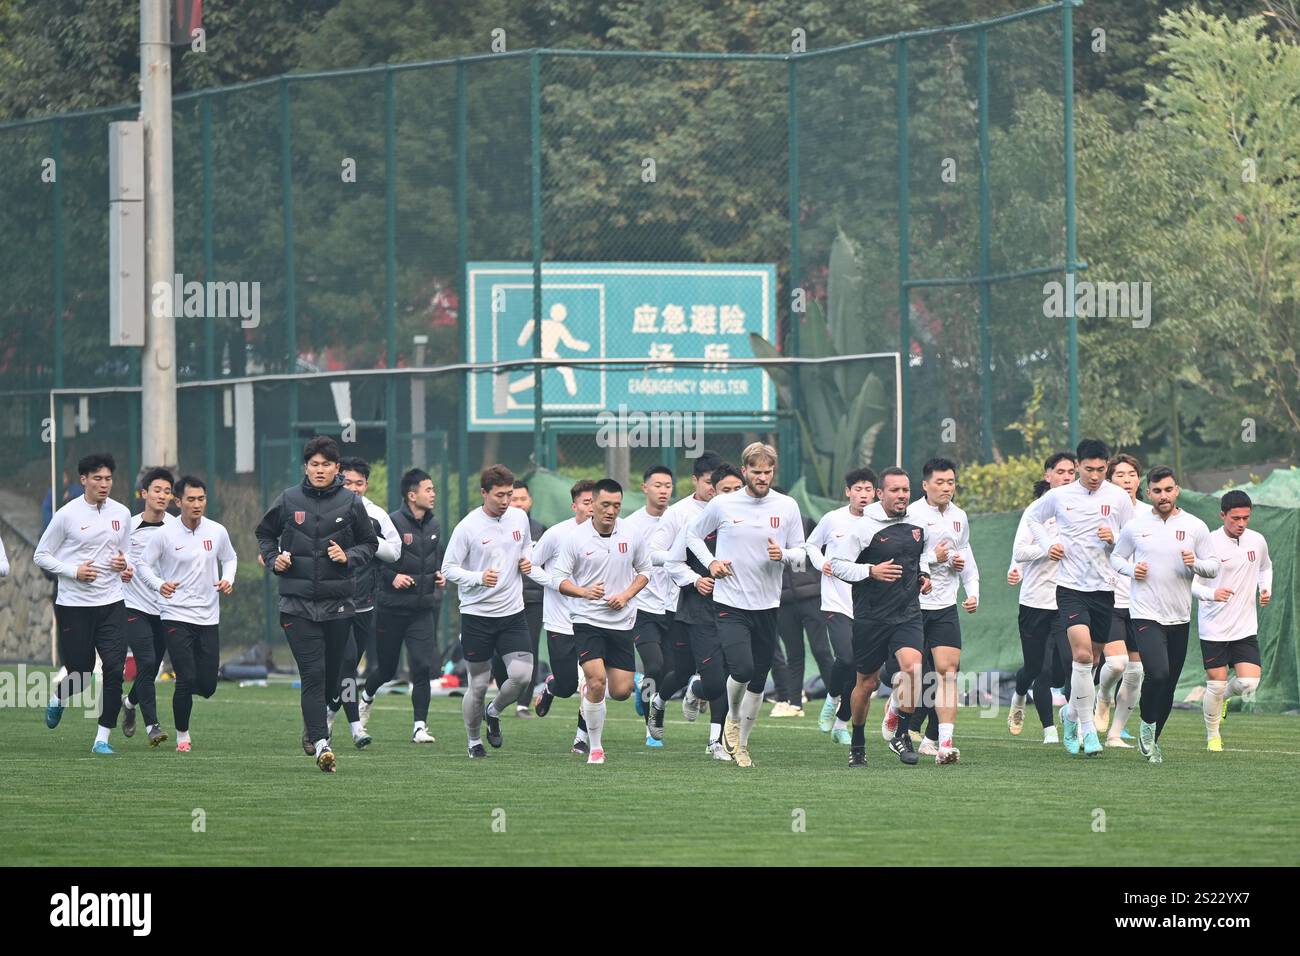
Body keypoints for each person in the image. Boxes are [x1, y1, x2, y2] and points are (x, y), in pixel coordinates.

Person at [255, 436, 379, 773]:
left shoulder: (352, 504)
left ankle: (319, 722)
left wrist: (348, 555)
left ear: (337, 468)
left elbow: (370, 544)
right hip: (296, 606)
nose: (320, 470)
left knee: (334, 676)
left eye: (326, 464)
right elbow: (264, 534)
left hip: (339, 605)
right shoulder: (288, 499)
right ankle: (321, 743)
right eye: (314, 464)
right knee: (312, 673)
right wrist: (272, 558)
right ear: (306, 468)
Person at [684, 442, 806, 769]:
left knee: (758, 680)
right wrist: (710, 563)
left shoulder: (787, 506)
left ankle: (742, 744)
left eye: (768, 472)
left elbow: (802, 552)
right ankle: (732, 718)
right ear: (744, 471)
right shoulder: (724, 504)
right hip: (730, 602)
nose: (762, 477)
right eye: (756, 471)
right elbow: (692, 536)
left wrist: (785, 555)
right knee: (741, 668)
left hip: (768, 605)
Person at [1023, 438, 1135, 756]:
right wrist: (1047, 545)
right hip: (1071, 589)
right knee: (1082, 656)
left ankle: (1070, 715)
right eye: (1089, 469)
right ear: (1078, 466)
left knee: (1095, 660)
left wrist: (1114, 539)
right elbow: (1032, 518)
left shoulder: (1118, 498)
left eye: (1101, 469)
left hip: (1105, 590)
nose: (1096, 475)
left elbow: (1133, 537)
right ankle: (1088, 730)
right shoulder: (1059, 495)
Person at [1109, 466, 1219, 763]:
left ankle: (1152, 740)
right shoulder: (1136, 526)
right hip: (1145, 614)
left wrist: (1195, 562)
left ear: (1177, 490)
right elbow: (1116, 557)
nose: (1163, 496)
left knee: (1168, 683)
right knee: (1157, 672)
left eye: (1168, 490)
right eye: (1157, 491)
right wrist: (1132, 569)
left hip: (1179, 617)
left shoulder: (1196, 526)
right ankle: (1146, 723)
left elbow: (1214, 567)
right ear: (1148, 493)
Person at [827, 467, 931, 768]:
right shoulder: (863, 527)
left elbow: (918, 557)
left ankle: (901, 734)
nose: (902, 496)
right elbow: (838, 565)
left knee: (913, 669)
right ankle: (857, 743)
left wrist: (923, 576)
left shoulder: (917, 523)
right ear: (880, 494)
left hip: (907, 614)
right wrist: (871, 571)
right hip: (871, 617)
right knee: (867, 683)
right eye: (895, 491)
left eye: (905, 490)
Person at [34, 452, 133, 754]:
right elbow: (41, 555)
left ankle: (102, 738)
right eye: (98, 479)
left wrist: (125, 566)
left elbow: (127, 558)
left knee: (115, 670)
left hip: (112, 603)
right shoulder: (66, 515)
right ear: (84, 480)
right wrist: (74, 571)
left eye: (108, 479)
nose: (104, 484)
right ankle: (59, 698)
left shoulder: (123, 513)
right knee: (81, 674)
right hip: (74, 606)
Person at [551, 478, 651, 764]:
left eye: (616, 505)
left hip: (621, 622)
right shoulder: (575, 538)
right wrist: (583, 592)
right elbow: (558, 578)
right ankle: (594, 747)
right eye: (605, 504)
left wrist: (627, 594)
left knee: (620, 691)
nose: (610, 510)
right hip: (587, 620)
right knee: (596, 682)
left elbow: (645, 570)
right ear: (592, 504)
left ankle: (594, 698)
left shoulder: (632, 534)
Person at [439, 464, 535, 759]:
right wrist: (478, 577)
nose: (506, 501)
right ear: (484, 493)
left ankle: (494, 712)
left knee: (522, 676)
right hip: (477, 617)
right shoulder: (468, 527)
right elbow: (448, 569)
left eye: (509, 494)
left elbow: (527, 546)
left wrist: (527, 560)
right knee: (478, 686)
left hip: (512, 614)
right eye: (499, 495)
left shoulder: (519, 517)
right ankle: (473, 740)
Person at [136, 476, 236, 753]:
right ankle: (183, 736)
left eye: (201, 498)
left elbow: (230, 558)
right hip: (175, 615)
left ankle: (174, 697)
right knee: (186, 678)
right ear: (177, 502)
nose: (196, 504)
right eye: (190, 499)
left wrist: (228, 578)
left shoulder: (217, 531)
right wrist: (159, 584)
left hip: (208, 617)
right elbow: (143, 565)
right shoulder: (164, 534)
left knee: (207, 685)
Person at [890, 457, 979, 765]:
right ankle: (894, 712)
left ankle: (944, 744)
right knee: (913, 675)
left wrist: (973, 590)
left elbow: (965, 553)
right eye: (939, 482)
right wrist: (935, 558)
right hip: (912, 606)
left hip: (944, 606)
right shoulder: (911, 514)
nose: (946, 488)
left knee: (947, 672)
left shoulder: (960, 516)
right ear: (925, 485)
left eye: (951, 482)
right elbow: (903, 559)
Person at [660, 455, 737, 760]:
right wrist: (696, 580)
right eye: (725, 490)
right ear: (713, 493)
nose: (732, 497)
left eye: (737, 490)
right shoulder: (695, 525)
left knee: (737, 675)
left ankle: (715, 739)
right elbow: (673, 562)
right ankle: (692, 694)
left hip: (739, 610)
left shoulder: (748, 524)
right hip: (699, 612)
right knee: (713, 678)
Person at [360, 468, 444, 745]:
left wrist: (439, 575)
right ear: (412, 495)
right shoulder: (390, 522)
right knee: (386, 670)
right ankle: (366, 697)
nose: (433, 494)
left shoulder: (434, 526)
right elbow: (374, 560)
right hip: (391, 610)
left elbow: (436, 560)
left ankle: (420, 726)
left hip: (422, 610)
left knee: (422, 666)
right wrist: (392, 577)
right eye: (428, 489)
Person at [330, 457, 401, 749]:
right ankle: (356, 727)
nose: (354, 488)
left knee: (347, 666)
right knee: (346, 663)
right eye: (348, 482)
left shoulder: (376, 515)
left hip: (363, 603)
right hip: (331, 603)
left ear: (366, 485)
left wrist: (369, 542)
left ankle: (327, 714)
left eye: (359, 483)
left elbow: (395, 552)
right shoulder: (325, 510)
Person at [1006, 452, 1076, 743]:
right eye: (1061, 472)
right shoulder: (1036, 510)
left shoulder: (1079, 509)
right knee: (1038, 668)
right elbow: (1020, 551)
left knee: (1069, 667)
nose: (1067, 477)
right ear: (1048, 475)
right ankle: (1045, 725)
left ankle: (1070, 716)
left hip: (1068, 599)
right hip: (1035, 602)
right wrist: (1045, 551)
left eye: (1072, 472)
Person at [1194, 490, 1272, 751]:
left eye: (1245, 518)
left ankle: (1225, 697)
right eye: (1235, 518)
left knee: (1249, 683)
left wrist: (1265, 588)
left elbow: (1265, 567)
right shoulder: (1208, 544)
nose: (1241, 523)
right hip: (1213, 628)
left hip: (1245, 627)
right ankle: (1212, 736)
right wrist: (1212, 593)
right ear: (1222, 515)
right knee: (1214, 684)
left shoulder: (1257, 541)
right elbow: (1193, 585)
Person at [803, 468, 877, 740]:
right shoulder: (832, 519)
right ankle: (832, 700)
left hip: (869, 606)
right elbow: (810, 545)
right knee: (846, 658)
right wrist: (821, 562)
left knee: (864, 671)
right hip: (836, 602)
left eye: (868, 489)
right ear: (848, 492)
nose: (863, 495)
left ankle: (841, 725)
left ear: (876, 493)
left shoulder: (881, 523)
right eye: (858, 489)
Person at [120, 467, 177, 748]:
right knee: (144, 662)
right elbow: (115, 559)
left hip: (165, 609)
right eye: (157, 490)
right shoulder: (128, 527)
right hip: (134, 606)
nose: (162, 496)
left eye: (167, 491)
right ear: (144, 494)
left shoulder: (176, 529)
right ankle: (153, 725)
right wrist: (122, 571)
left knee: (151, 668)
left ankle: (129, 702)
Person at [622, 465, 677, 747]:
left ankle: (645, 694)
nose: (663, 490)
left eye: (668, 485)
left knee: (669, 670)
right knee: (654, 665)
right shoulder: (631, 525)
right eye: (657, 485)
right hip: (643, 607)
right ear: (645, 488)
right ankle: (651, 729)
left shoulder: (680, 520)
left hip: (674, 607)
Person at [1099, 454, 1144, 747]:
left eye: (1131, 474)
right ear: (1109, 480)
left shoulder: (1152, 515)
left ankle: (1115, 733)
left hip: (1143, 603)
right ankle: (1102, 695)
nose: (1126, 480)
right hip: (1110, 597)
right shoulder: (1102, 511)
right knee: (1116, 664)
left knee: (1136, 672)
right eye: (1120, 475)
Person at [493, 480, 546, 717]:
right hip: (503, 599)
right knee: (499, 649)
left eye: (523, 499)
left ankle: (523, 703)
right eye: (514, 499)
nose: (518, 504)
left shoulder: (540, 530)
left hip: (533, 598)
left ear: (530, 501)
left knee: (529, 648)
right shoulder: (495, 529)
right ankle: (505, 691)